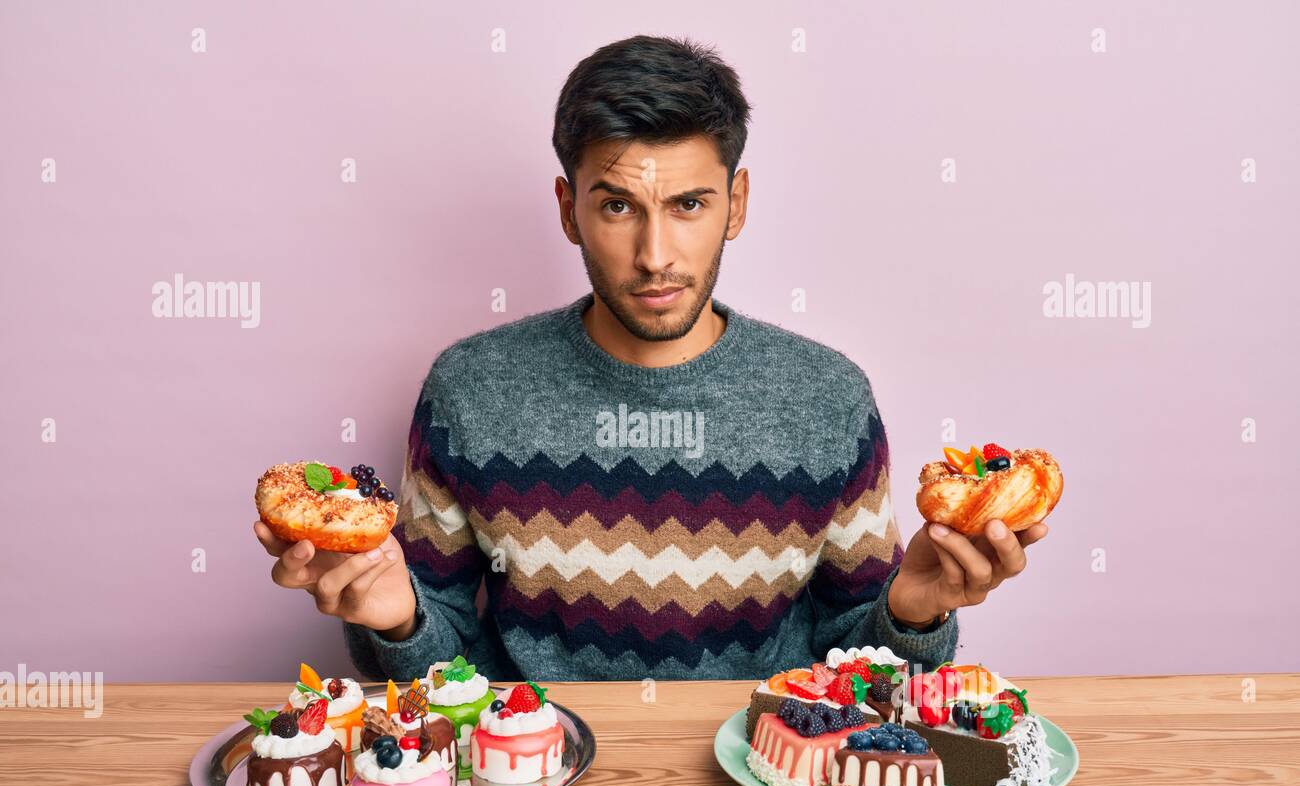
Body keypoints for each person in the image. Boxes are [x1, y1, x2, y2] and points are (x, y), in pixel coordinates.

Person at [254, 35, 1048, 681]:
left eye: (689, 205)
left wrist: (915, 613)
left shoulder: (826, 398)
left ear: (735, 204)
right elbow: (437, 674)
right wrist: (398, 618)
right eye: (617, 206)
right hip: (530, 785)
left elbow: (860, 675)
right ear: (569, 210)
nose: (655, 254)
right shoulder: (471, 389)